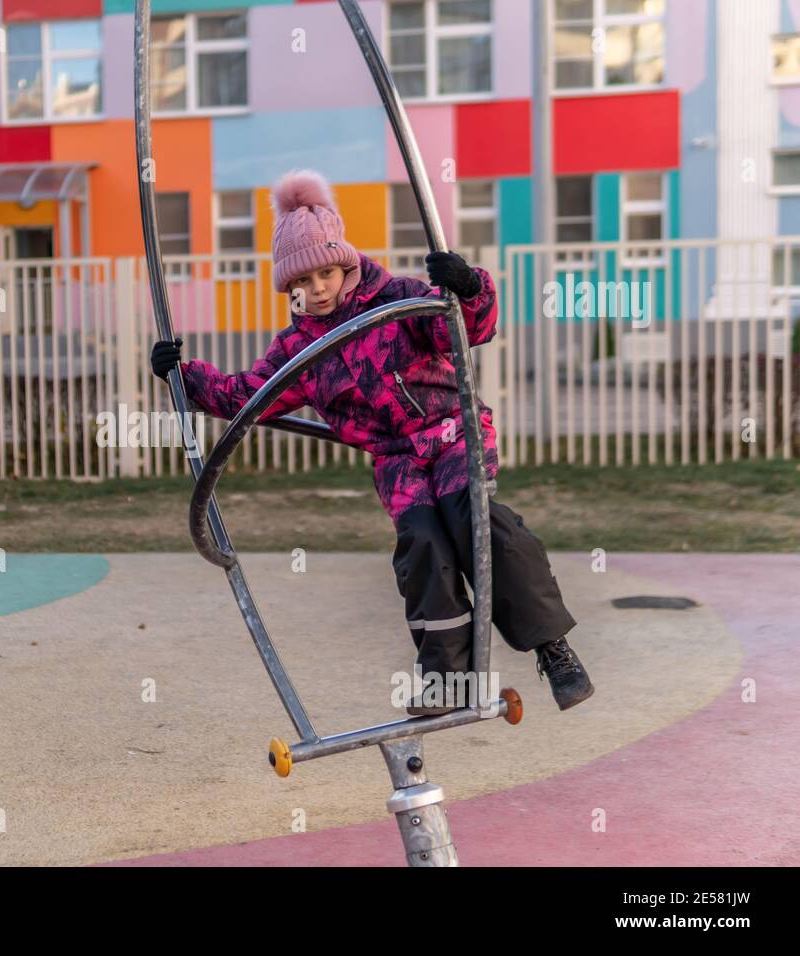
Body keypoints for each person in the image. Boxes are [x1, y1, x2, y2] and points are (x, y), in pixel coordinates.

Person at [151, 169, 593, 715]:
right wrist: (185, 378)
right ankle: (446, 678)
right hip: (397, 459)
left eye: (327, 275)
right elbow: (248, 397)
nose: (317, 291)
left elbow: (470, 329)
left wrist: (468, 285)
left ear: (348, 263)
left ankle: (553, 649)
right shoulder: (298, 348)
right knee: (423, 548)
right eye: (302, 284)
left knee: (478, 524)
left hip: (455, 432)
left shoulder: (399, 300)